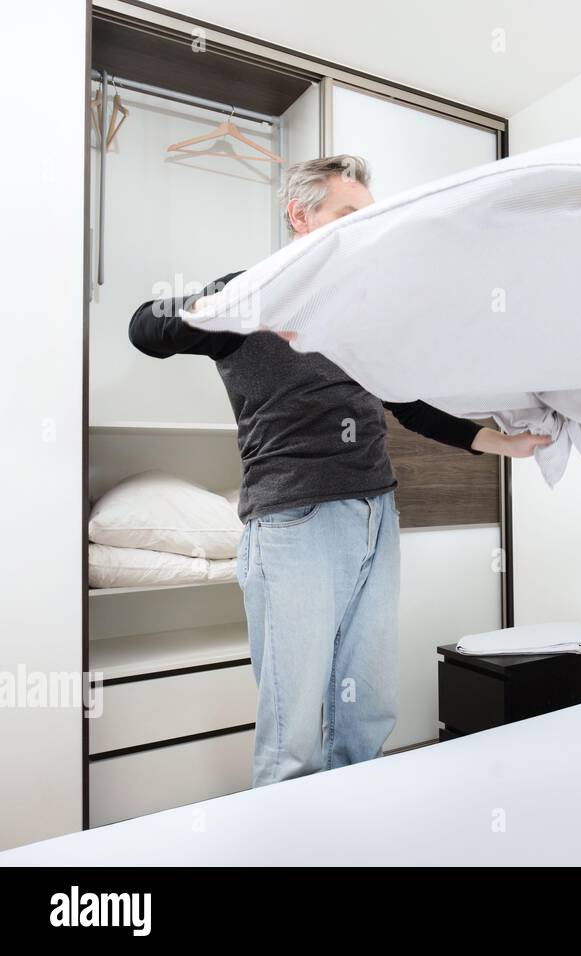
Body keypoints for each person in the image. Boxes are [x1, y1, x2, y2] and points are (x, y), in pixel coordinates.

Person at [128, 155, 548, 787]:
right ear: (301, 216)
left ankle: (352, 836)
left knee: (367, 709)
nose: (362, 230)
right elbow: (144, 327)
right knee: (293, 727)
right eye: (348, 215)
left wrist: (499, 443)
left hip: (376, 516)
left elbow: (406, 403)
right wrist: (240, 305)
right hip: (294, 524)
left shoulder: (356, 314)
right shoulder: (246, 296)